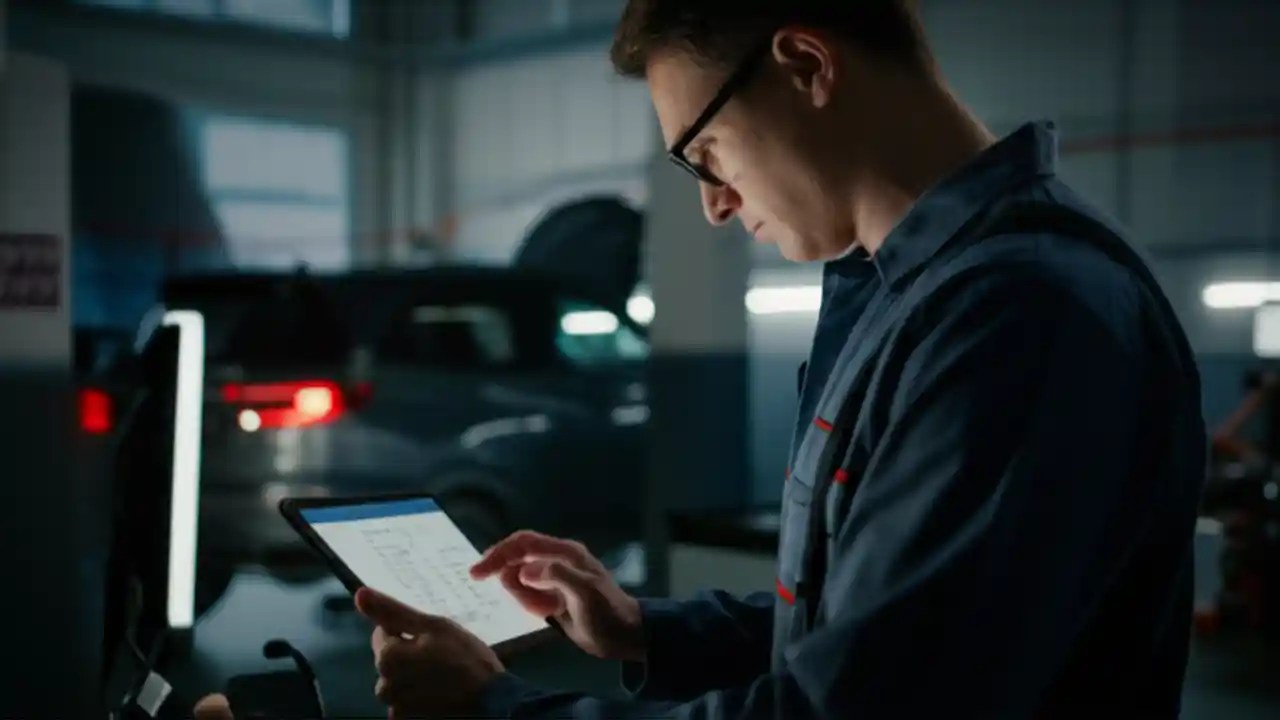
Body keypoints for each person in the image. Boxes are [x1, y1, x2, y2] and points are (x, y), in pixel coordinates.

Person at [198, 0, 1207, 717]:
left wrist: (495, 710)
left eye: (704, 152)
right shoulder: (904, 295)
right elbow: (878, 625)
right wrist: (645, 629)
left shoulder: (1015, 316)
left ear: (805, 65)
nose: (714, 205)